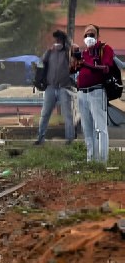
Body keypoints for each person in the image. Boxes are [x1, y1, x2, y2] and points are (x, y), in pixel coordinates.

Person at [72, 23, 113, 164]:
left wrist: (86, 64)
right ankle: (91, 161)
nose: (88, 37)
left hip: (97, 91)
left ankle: (102, 161)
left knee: (100, 128)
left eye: (92, 34)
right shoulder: (83, 53)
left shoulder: (105, 49)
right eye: (86, 35)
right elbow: (72, 70)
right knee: (87, 130)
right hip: (82, 94)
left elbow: (106, 68)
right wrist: (73, 58)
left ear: (97, 36)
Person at [35, 30, 75, 145]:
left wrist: (69, 47)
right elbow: (41, 64)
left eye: (59, 40)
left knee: (68, 115)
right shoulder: (49, 52)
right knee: (45, 113)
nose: (57, 42)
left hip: (64, 87)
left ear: (63, 41)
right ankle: (40, 138)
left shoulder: (68, 52)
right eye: (55, 40)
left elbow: (74, 63)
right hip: (50, 87)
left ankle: (70, 139)